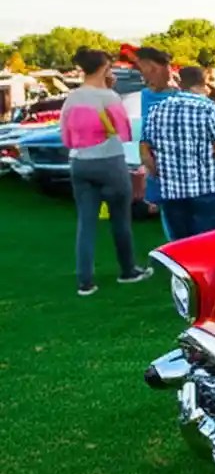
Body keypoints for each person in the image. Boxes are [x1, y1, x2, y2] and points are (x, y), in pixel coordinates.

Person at [59, 47, 152, 296]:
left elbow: (66, 138)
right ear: (104, 69)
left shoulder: (72, 98)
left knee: (86, 222)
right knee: (120, 219)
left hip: (79, 163)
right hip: (109, 161)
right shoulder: (109, 97)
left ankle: (85, 281)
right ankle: (128, 270)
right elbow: (125, 133)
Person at [141, 66, 215, 239]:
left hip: (172, 193)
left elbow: (146, 153)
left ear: (179, 83)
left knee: (180, 249)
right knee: (210, 246)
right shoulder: (212, 110)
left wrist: (161, 176)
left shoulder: (156, 111)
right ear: (205, 83)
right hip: (211, 193)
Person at [133, 46, 178, 237]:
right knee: (169, 215)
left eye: (142, 68)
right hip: (158, 162)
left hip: (182, 163)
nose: (142, 74)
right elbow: (147, 127)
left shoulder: (182, 93)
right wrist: (145, 153)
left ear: (151, 67)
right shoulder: (146, 94)